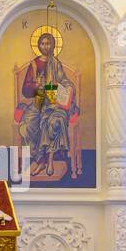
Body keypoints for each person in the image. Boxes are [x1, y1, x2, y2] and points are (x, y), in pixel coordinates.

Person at [15, 30, 77, 177]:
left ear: (53, 45)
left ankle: (49, 160)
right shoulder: (34, 64)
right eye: (42, 43)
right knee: (27, 125)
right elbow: (25, 89)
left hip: (54, 102)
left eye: (48, 43)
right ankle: (40, 159)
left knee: (53, 121)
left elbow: (65, 81)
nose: (45, 46)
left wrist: (67, 88)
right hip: (38, 101)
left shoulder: (56, 64)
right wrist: (37, 85)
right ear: (38, 45)